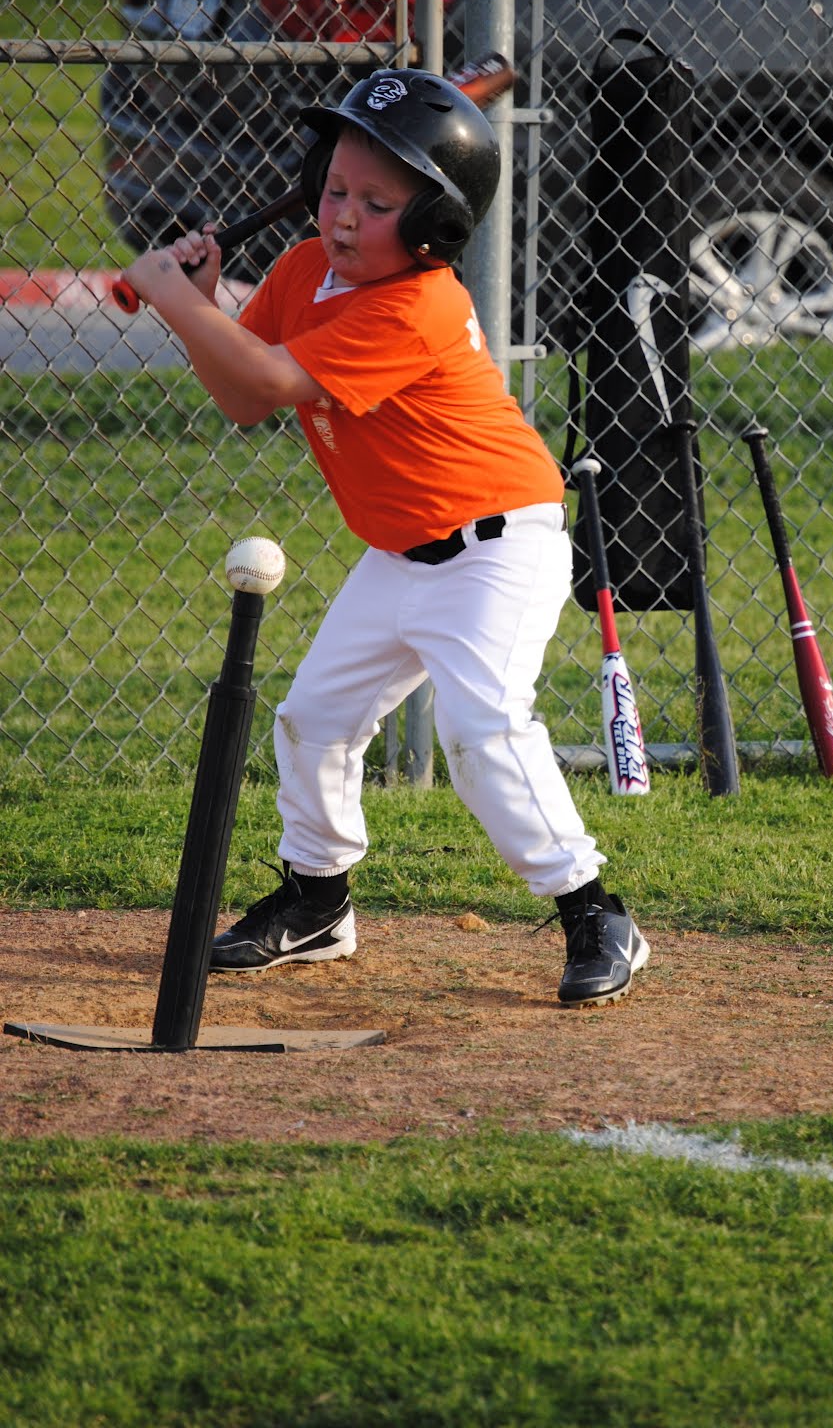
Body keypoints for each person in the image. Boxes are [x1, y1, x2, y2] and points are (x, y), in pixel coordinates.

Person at [123, 67, 649, 1007]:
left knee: (482, 728)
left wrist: (174, 297)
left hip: (498, 546)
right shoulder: (296, 273)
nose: (342, 214)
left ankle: (594, 912)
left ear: (433, 228)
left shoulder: (420, 303)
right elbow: (246, 395)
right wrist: (199, 298)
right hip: (398, 551)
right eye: (334, 189)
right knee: (314, 720)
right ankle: (318, 900)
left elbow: (279, 382)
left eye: (376, 203)